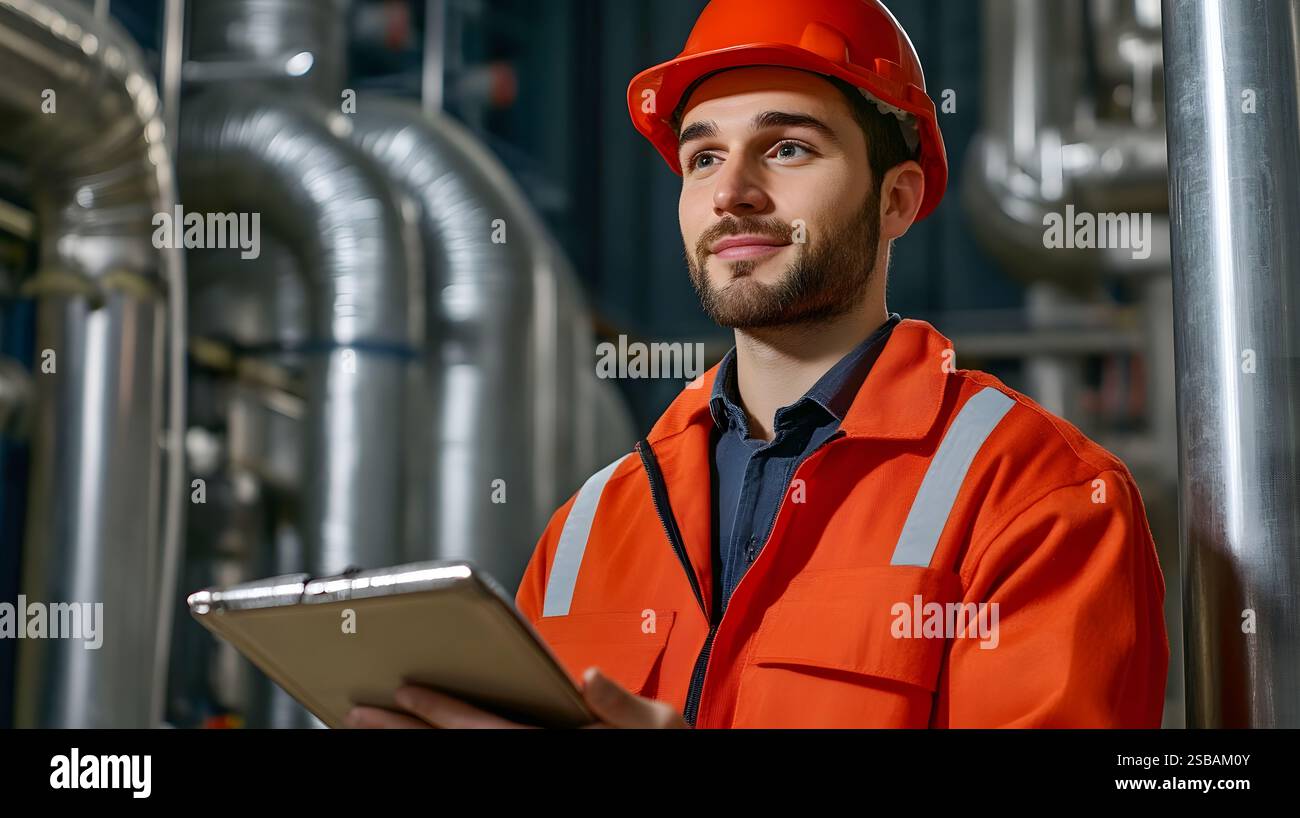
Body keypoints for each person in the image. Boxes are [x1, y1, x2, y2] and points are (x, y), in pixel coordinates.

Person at [349, 0, 1169, 729]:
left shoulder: (1038, 500)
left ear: (898, 199)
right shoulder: (586, 532)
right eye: (702, 157)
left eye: (787, 149)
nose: (732, 190)